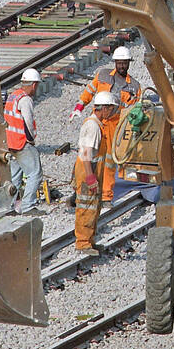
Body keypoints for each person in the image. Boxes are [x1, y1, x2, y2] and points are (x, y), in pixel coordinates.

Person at [72, 46, 142, 200]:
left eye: (125, 63)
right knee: (85, 155)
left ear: (129, 63)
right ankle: (78, 188)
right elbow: (89, 92)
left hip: (114, 127)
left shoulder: (134, 86)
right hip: (97, 121)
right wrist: (79, 107)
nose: (122, 66)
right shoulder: (103, 75)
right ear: (115, 62)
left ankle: (106, 196)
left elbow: (134, 111)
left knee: (109, 162)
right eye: (119, 63)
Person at [73, 91, 117, 252]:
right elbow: (86, 153)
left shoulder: (97, 124)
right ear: (103, 108)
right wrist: (90, 177)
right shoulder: (93, 126)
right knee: (87, 206)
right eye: (110, 109)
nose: (111, 112)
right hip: (87, 171)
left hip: (91, 170)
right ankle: (83, 242)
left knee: (94, 206)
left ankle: (89, 240)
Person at [4, 67, 43, 213]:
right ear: (33, 85)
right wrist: (31, 140)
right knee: (35, 173)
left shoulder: (14, 96)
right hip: (21, 143)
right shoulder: (25, 100)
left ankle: (10, 207)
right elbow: (28, 122)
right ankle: (28, 206)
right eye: (36, 85)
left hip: (10, 143)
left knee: (15, 177)